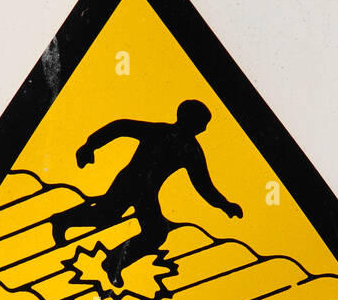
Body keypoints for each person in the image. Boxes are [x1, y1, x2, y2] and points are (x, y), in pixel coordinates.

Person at [50, 100, 243, 288]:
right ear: (186, 119)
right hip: (128, 183)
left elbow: (203, 185)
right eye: (202, 123)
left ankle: (114, 262)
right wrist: (90, 146)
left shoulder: (192, 151)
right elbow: (120, 127)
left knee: (156, 233)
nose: (204, 129)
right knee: (105, 216)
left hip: (148, 193)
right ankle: (62, 221)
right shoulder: (159, 131)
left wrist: (225, 205)